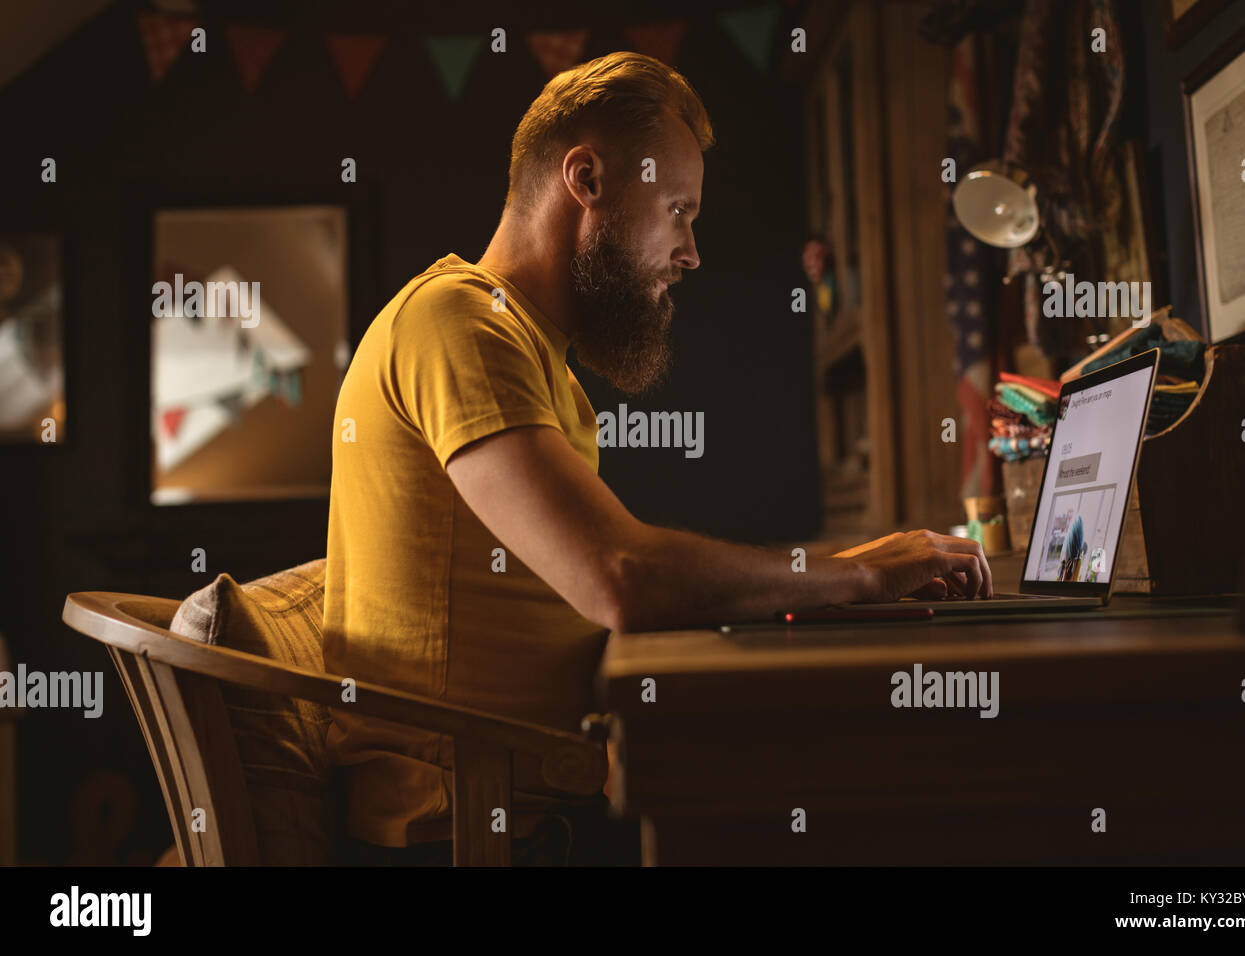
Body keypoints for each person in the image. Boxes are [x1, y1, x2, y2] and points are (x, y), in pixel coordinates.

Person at [323, 51, 994, 867]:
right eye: (678, 209)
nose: (692, 252)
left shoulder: (525, 350)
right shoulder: (458, 326)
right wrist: (858, 575)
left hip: (535, 811)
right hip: (473, 836)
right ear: (587, 179)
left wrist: (844, 573)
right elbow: (620, 576)